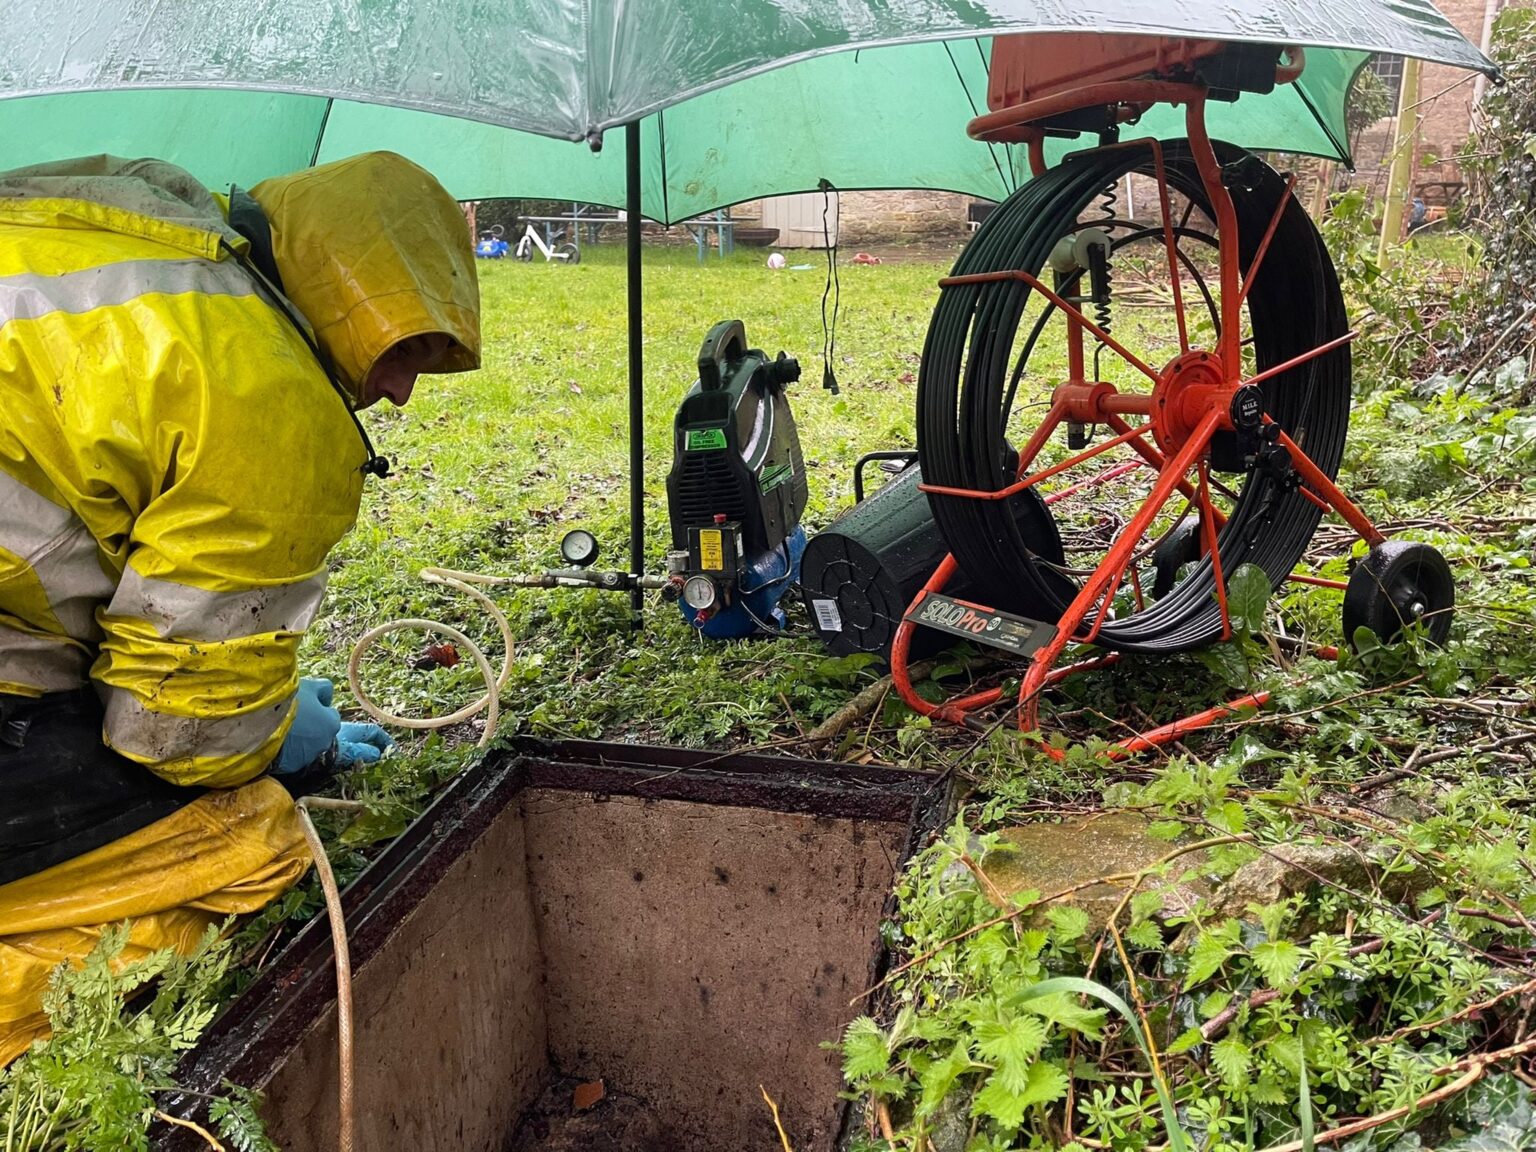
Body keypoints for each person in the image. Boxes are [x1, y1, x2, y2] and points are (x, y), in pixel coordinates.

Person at [0, 150, 480, 1064]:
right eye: (405, 347)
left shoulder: (148, 224)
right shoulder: (266, 393)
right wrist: (276, 743)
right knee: (252, 844)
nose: (400, 393)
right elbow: (179, 738)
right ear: (357, 286)